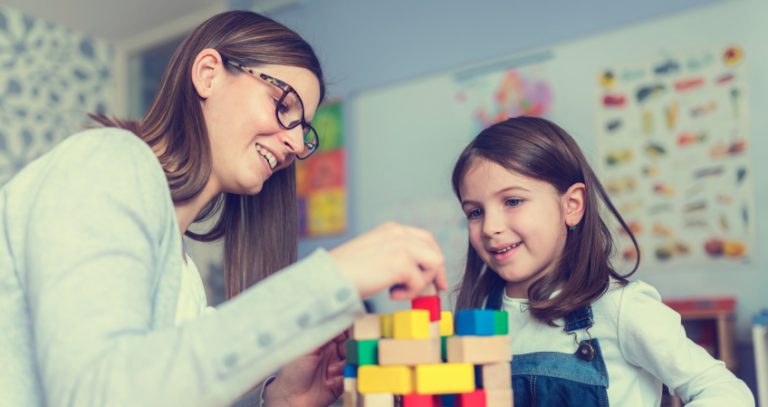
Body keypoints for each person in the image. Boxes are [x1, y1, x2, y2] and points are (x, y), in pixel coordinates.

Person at [0, 10, 447, 407]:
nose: (295, 142)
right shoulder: (106, 161)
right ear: (209, 74)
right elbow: (97, 395)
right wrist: (331, 278)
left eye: (305, 129)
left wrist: (281, 397)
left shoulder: (186, 282)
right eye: (282, 105)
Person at [450, 116, 754, 406]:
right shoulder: (474, 320)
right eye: (475, 212)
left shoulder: (622, 308)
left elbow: (724, 390)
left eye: (512, 201)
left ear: (572, 205)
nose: (490, 227)